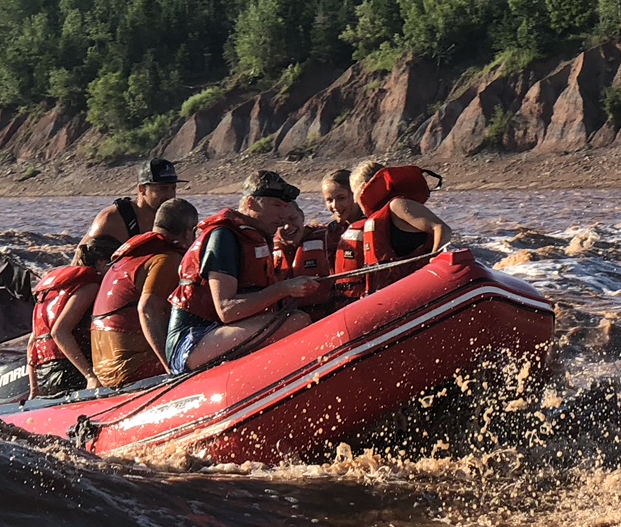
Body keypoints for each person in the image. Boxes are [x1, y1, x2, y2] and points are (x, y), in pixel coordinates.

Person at [165, 170, 329, 375]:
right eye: (276, 206)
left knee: (296, 317)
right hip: (192, 342)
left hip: (219, 334)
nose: (281, 216)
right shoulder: (223, 236)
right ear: (251, 203)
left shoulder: (256, 238)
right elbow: (227, 310)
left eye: (285, 207)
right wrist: (284, 288)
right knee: (297, 321)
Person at [90, 197, 197, 387]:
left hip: (104, 370)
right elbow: (148, 309)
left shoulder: (128, 257)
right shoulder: (166, 259)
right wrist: (171, 368)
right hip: (131, 369)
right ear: (189, 232)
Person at [26, 234, 113, 399]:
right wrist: (90, 376)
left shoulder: (52, 291)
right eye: (113, 264)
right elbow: (59, 332)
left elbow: (32, 344)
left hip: (45, 376)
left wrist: (34, 390)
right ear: (101, 262)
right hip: (68, 372)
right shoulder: (91, 285)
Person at [346, 160, 450, 294]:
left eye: (354, 192)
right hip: (392, 293)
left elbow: (442, 228)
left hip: (418, 289)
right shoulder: (380, 216)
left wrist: (435, 261)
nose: (354, 200)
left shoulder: (397, 205)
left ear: (363, 187)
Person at [83, 156, 180, 249]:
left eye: (173, 188)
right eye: (163, 188)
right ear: (142, 189)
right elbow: (80, 260)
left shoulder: (175, 218)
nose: (170, 195)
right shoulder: (114, 219)